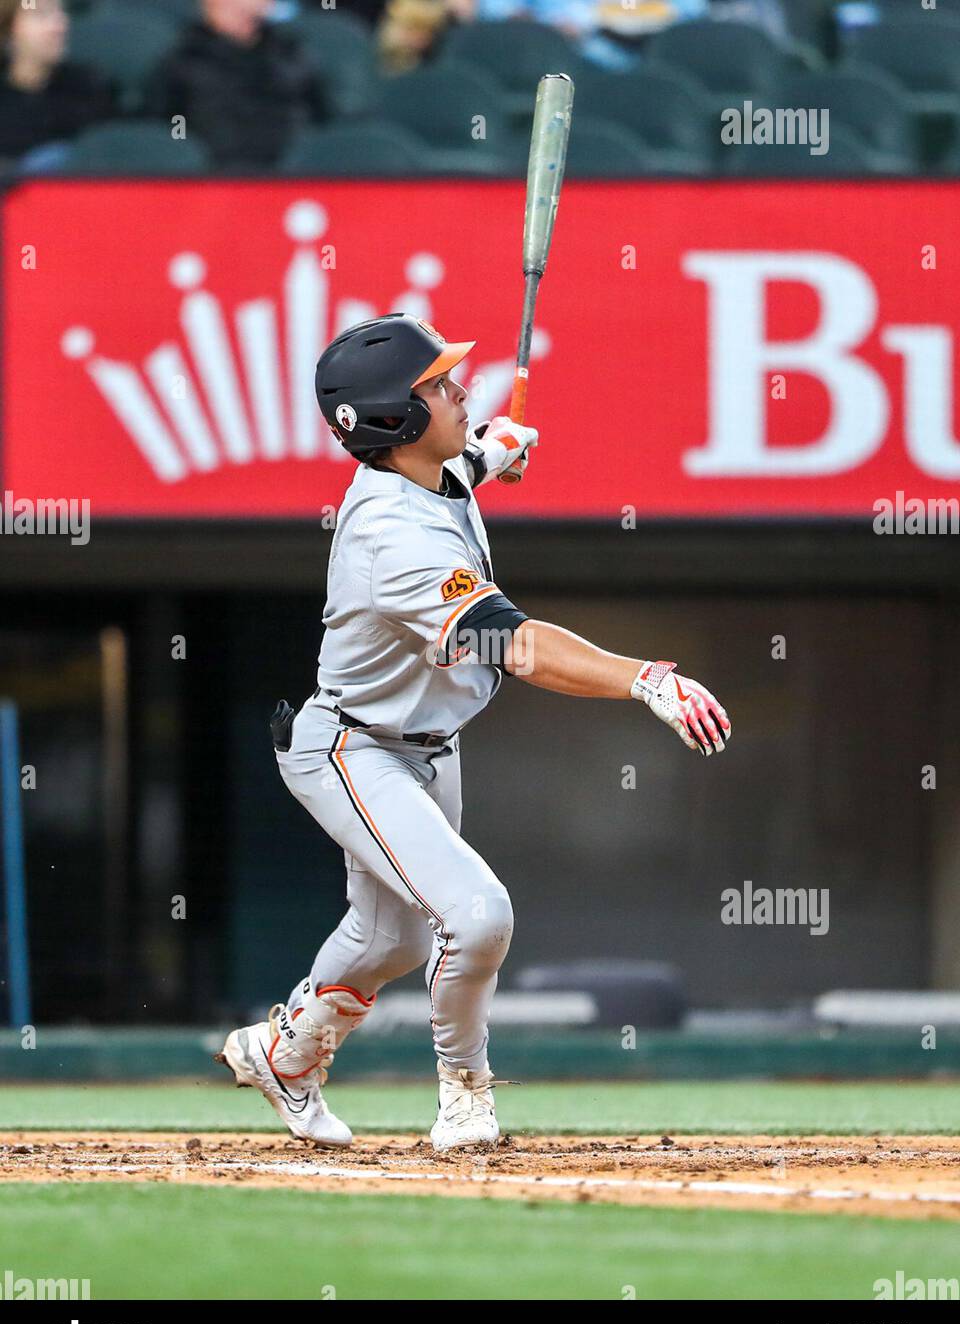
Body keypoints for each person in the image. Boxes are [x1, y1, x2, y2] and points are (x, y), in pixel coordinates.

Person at [217, 313, 731, 1153]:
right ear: (393, 421)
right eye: (437, 387)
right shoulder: (393, 540)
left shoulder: (428, 471)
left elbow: (456, 472)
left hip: (424, 745)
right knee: (479, 915)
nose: (460, 391)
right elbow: (519, 647)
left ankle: (284, 1053)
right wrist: (647, 679)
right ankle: (465, 1092)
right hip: (354, 746)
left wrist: (492, 454)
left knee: (389, 938)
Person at [143, 0, 329, 171]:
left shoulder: (291, 55)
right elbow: (169, 137)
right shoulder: (184, 63)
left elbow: (320, 125)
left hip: (296, 184)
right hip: (214, 186)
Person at [0, 0, 114, 167]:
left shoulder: (88, 89)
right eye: (41, 15)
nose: (59, 25)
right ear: (8, 28)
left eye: (59, 13)